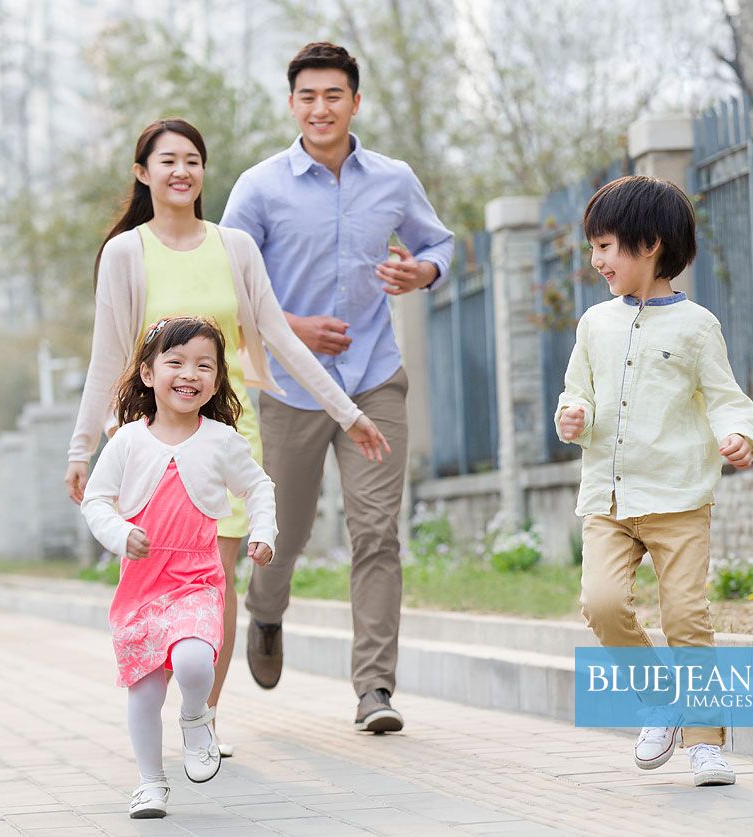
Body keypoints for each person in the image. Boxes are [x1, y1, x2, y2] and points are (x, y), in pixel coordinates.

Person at [65, 118, 389, 754]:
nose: (182, 171)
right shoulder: (126, 254)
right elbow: (108, 358)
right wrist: (84, 448)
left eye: (193, 160)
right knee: (160, 577)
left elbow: (281, 340)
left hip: (227, 435)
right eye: (167, 161)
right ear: (143, 173)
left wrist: (347, 412)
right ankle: (158, 695)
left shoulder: (235, 247)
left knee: (214, 578)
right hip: (150, 441)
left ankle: (201, 719)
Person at [221, 42, 453, 733]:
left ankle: (374, 689)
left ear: (355, 101)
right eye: (307, 96)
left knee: (376, 532)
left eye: (333, 95)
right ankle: (265, 610)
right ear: (291, 104)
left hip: (374, 379)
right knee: (281, 534)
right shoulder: (259, 187)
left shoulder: (392, 179)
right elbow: (226, 282)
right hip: (291, 388)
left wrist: (424, 274)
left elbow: (438, 244)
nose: (320, 108)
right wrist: (290, 326)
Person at [554, 175, 753, 787]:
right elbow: (577, 391)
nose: (597, 260)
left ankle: (705, 742)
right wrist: (574, 415)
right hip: (608, 499)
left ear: (650, 245)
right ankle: (659, 701)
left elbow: (726, 397)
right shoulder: (595, 323)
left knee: (686, 620)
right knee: (601, 603)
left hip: (677, 499)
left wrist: (739, 436)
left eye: (607, 246)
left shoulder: (697, 326)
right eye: (594, 247)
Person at [81, 316, 275, 819]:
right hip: (142, 584)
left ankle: (196, 718)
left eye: (204, 365)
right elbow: (97, 501)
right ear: (148, 373)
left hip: (195, 578)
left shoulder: (221, 440)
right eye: (176, 362)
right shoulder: (126, 441)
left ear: (216, 379)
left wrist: (262, 533)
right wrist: (121, 534)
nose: (190, 373)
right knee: (144, 691)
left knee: (194, 662)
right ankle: (150, 782)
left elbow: (258, 487)